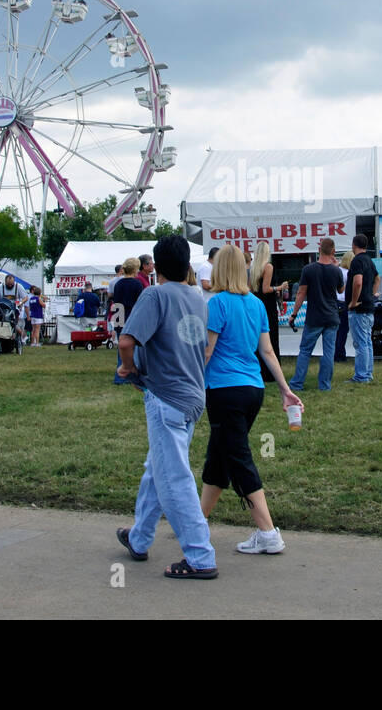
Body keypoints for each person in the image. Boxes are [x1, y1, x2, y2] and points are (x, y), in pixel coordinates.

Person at [115, 234, 218, 578]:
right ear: (188, 266)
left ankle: (200, 556)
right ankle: (140, 538)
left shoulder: (155, 294)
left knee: (173, 476)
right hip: (193, 395)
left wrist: (127, 367)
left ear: (155, 267)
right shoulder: (197, 298)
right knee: (156, 468)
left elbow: (127, 340)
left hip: (165, 397)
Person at [198, 245, 304, 554]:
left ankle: (268, 532)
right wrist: (284, 389)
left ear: (219, 270)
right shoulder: (256, 304)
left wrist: (186, 382)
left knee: (238, 458)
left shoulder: (217, 304)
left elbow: (208, 350)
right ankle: (198, 522)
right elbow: (267, 351)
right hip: (252, 390)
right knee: (219, 456)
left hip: (223, 390)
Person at [286, 237, 345, 392]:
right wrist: (337, 266)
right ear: (333, 251)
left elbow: (301, 293)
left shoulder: (308, 269)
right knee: (329, 352)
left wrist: (294, 314)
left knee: (305, 351)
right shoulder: (336, 271)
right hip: (332, 316)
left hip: (314, 317)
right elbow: (341, 290)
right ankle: (324, 385)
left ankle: (297, 383)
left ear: (319, 249)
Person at [248, 241, 284, 378]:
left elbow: (250, 289)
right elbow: (266, 288)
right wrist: (279, 287)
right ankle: (271, 371)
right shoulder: (268, 267)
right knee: (271, 337)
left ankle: (259, 369)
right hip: (267, 306)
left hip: (256, 304)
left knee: (257, 337)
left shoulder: (253, 268)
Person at [345, 234, 378, 385]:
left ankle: (361, 376)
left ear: (354, 245)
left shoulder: (357, 260)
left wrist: (353, 301)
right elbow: (377, 278)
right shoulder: (369, 260)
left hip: (359, 309)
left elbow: (357, 282)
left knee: (360, 343)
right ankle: (367, 373)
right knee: (367, 342)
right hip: (368, 306)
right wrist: (371, 294)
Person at [110, 258, 146, 384]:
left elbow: (116, 303)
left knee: (122, 348)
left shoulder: (118, 284)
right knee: (134, 348)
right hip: (132, 317)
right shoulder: (137, 284)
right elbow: (140, 304)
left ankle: (119, 376)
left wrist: (116, 322)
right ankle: (132, 375)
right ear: (136, 269)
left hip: (120, 316)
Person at [0, 273, 29, 343]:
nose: (10, 285)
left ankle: (18, 334)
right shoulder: (0, 287)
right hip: (2, 308)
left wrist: (20, 303)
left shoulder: (19, 287)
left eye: (11, 284)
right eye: (8, 284)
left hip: (15, 308)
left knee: (14, 321)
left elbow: (25, 297)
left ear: (14, 282)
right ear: (5, 282)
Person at [333, 250, 352, 363]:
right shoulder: (349, 274)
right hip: (344, 302)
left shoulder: (338, 270)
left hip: (335, 302)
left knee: (336, 331)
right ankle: (340, 354)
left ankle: (337, 353)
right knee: (343, 331)